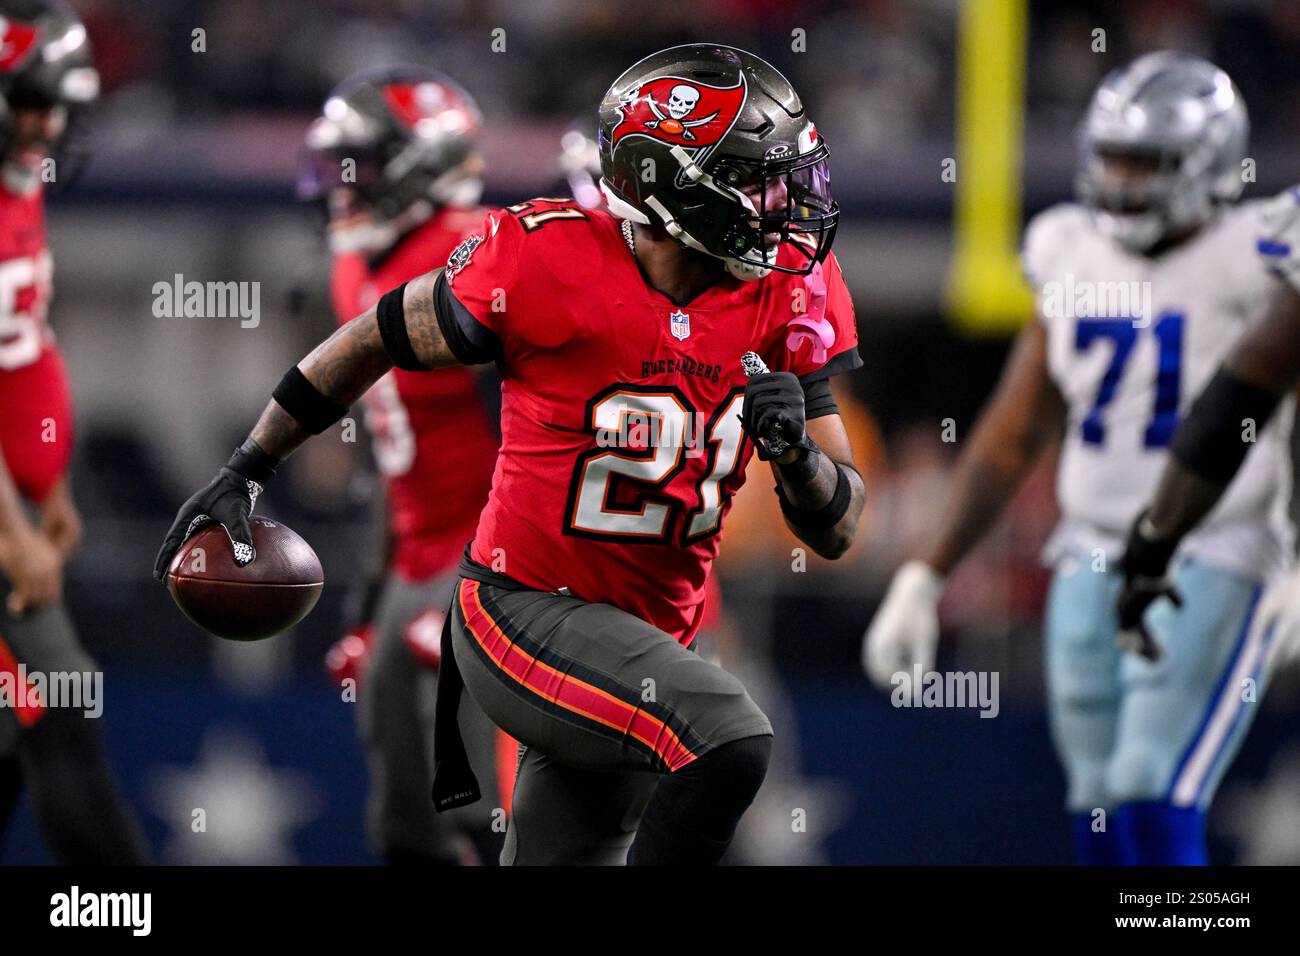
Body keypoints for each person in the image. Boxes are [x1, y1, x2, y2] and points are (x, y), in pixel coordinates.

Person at [156, 43, 864, 865]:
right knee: (731, 736)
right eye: (755, 177)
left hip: (654, 634)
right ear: (669, 182)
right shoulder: (542, 256)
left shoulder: (794, 291)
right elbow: (373, 338)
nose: (784, 202)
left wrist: (797, 462)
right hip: (523, 612)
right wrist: (248, 467)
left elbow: (841, 529)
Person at [863, 52, 1287, 865]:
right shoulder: (1070, 250)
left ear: (1205, 164)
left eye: (1146, 162)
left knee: (1148, 778)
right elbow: (1015, 428)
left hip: (1219, 543)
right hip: (1089, 545)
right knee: (1095, 792)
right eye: (1112, 157)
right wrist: (927, 572)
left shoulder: (1261, 250)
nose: (1121, 180)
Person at [298, 66, 504, 865]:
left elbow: (542, 428)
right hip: (412, 557)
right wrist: (369, 595)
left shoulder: (477, 251)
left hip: (494, 560)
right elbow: (391, 453)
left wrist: (491, 584)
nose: (345, 186)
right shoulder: (356, 267)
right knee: (401, 823)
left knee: (481, 812)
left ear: (425, 164)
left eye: (366, 164)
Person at [0, 0, 147, 865]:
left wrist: (46, 485)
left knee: (30, 724)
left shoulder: (18, 186)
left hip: (17, 505)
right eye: (28, 100)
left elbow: (22, 345)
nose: (48, 125)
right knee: (59, 702)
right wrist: (16, 534)